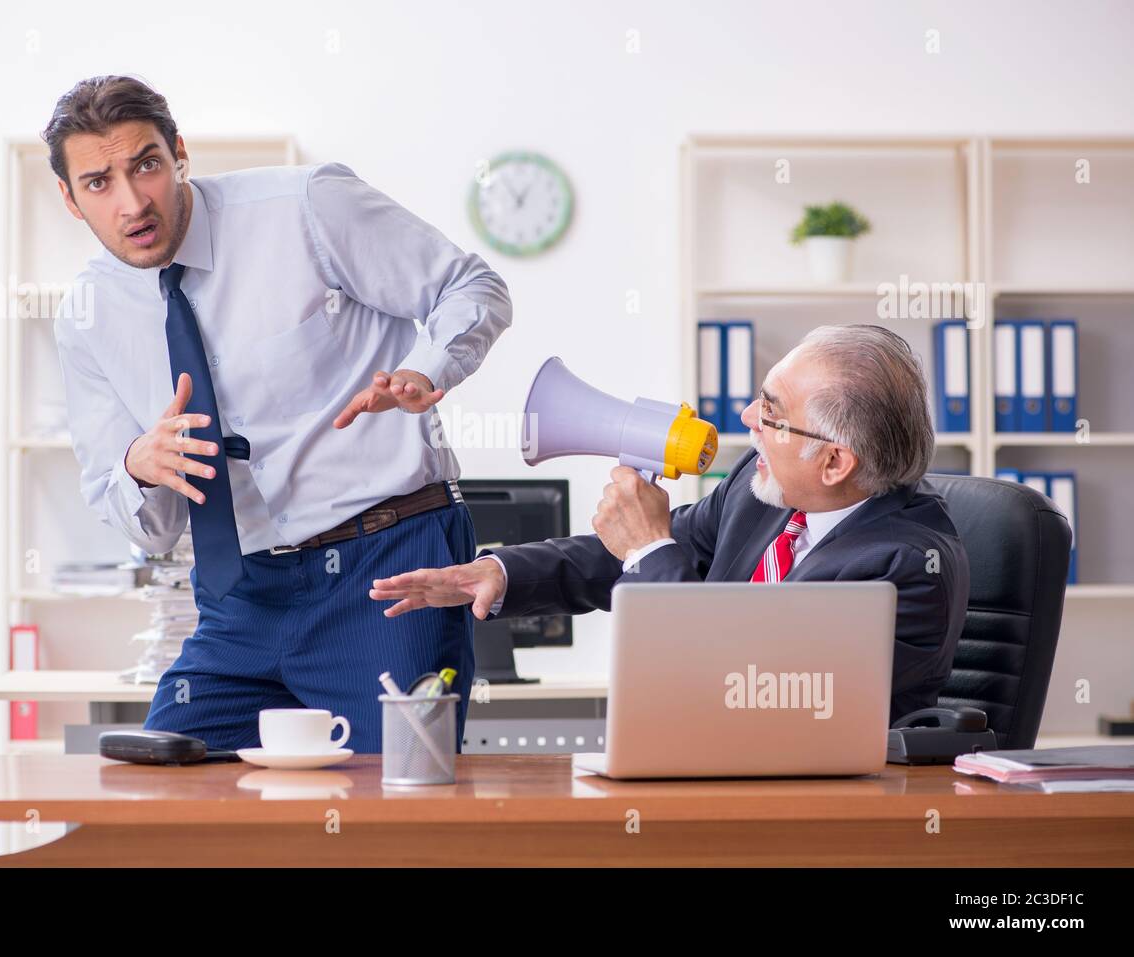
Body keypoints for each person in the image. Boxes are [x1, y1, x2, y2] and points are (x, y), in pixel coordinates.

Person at [48, 75, 511, 752]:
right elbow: (148, 532)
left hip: (386, 566)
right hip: (239, 599)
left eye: (145, 164)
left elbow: (472, 285)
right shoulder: (88, 317)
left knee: (395, 810)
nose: (131, 201)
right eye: (98, 183)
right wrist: (139, 467)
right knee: (163, 793)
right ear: (68, 197)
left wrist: (424, 369)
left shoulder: (303, 207)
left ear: (178, 152)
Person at [370, 324, 970, 723]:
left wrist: (652, 548)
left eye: (772, 412)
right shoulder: (761, 492)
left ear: (836, 461)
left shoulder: (902, 566)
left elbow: (733, 690)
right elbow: (620, 557)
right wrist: (498, 574)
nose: (747, 418)